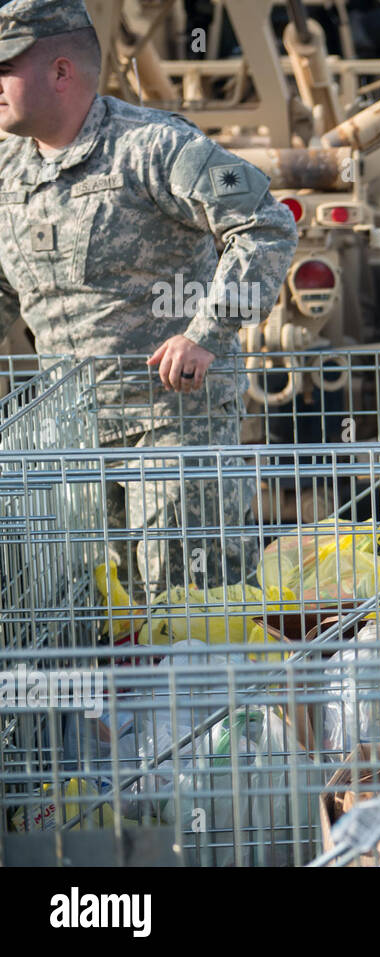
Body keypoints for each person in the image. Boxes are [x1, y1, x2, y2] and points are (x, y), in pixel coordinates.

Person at [0, 0, 297, 597]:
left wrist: (207, 333)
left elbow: (266, 225)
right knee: (97, 620)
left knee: (188, 613)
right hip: (73, 434)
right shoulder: (7, 171)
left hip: (174, 424)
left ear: (61, 72)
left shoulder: (153, 147)